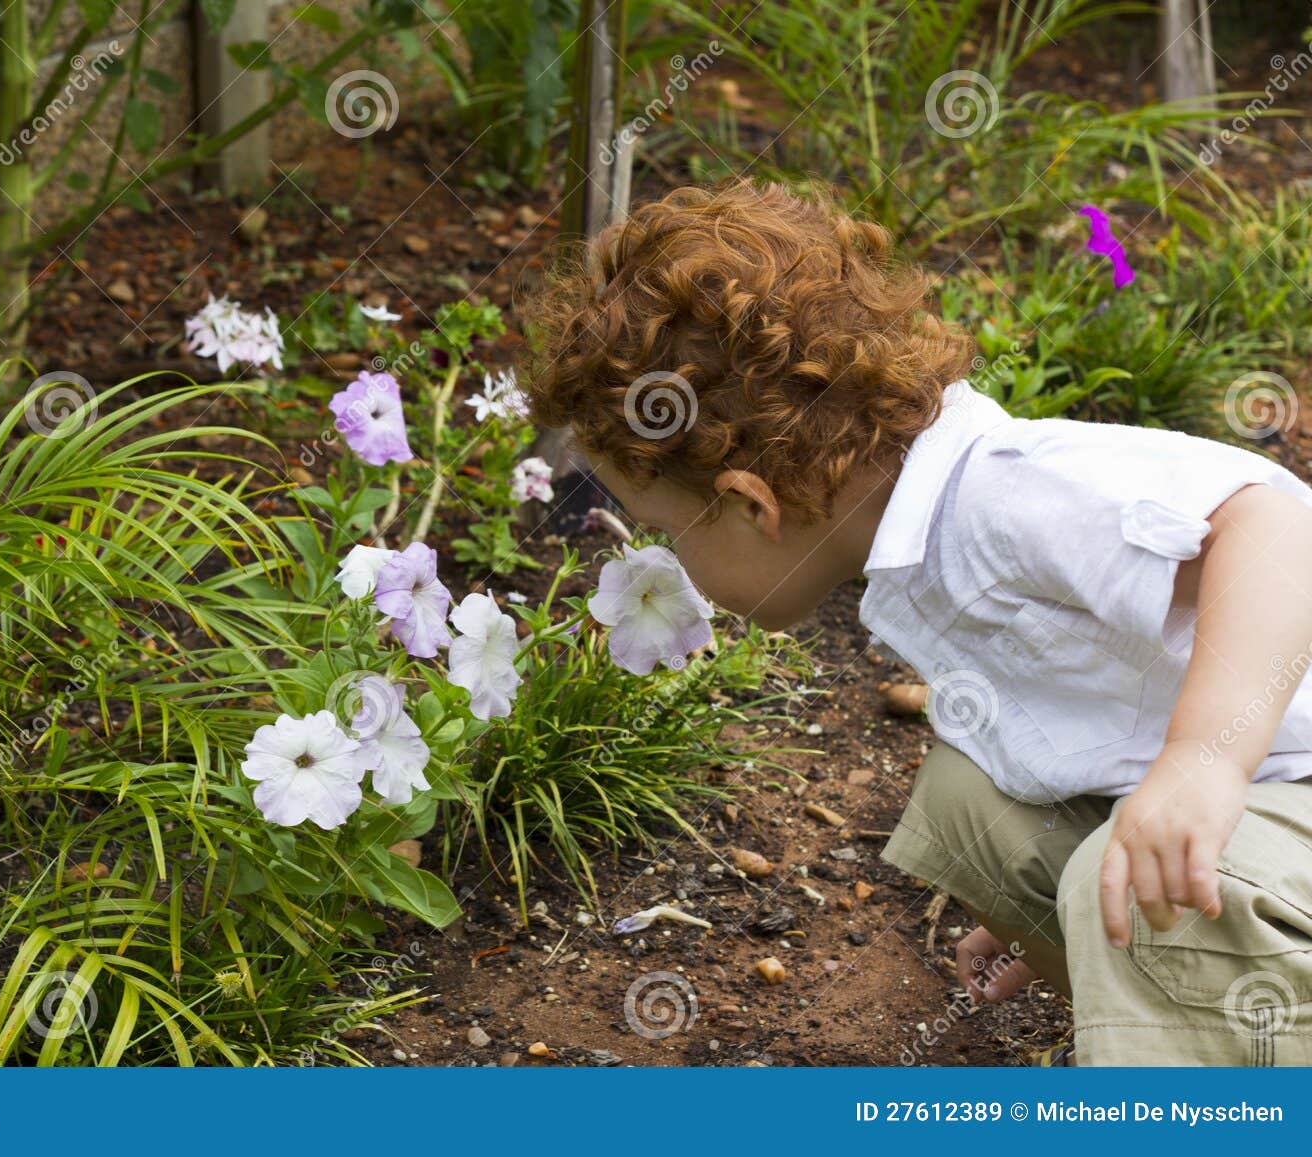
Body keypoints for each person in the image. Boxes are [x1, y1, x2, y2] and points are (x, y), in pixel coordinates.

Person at [521, 179, 1312, 1065]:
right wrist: (1052, 932)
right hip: (1274, 799)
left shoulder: (1004, 492)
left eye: (670, 532)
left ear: (750, 504)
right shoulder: (913, 533)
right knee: (968, 800)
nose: (674, 562)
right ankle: (1172, 1022)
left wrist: (1203, 763)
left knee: (1109, 881)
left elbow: (1279, 529)